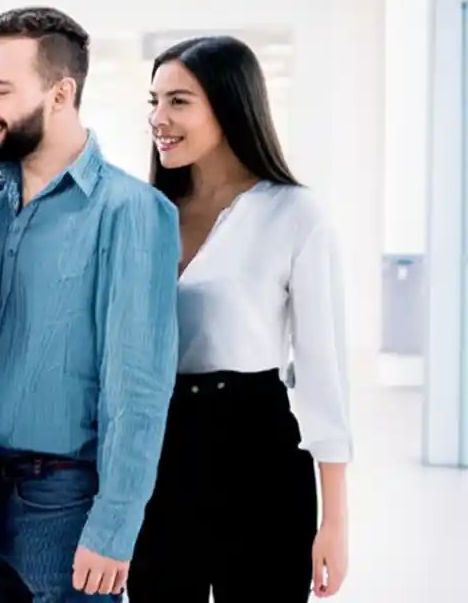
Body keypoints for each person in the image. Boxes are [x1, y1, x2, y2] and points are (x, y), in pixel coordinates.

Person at [0, 7, 180, 602]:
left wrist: (115, 527)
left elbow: (137, 385)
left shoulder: (130, 211)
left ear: (61, 94)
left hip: (62, 508)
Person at [127, 35, 351, 602]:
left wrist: (335, 521)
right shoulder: (144, 213)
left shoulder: (294, 212)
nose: (158, 118)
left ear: (230, 106)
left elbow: (323, 373)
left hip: (256, 449)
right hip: (157, 450)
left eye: (178, 101)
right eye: (154, 101)